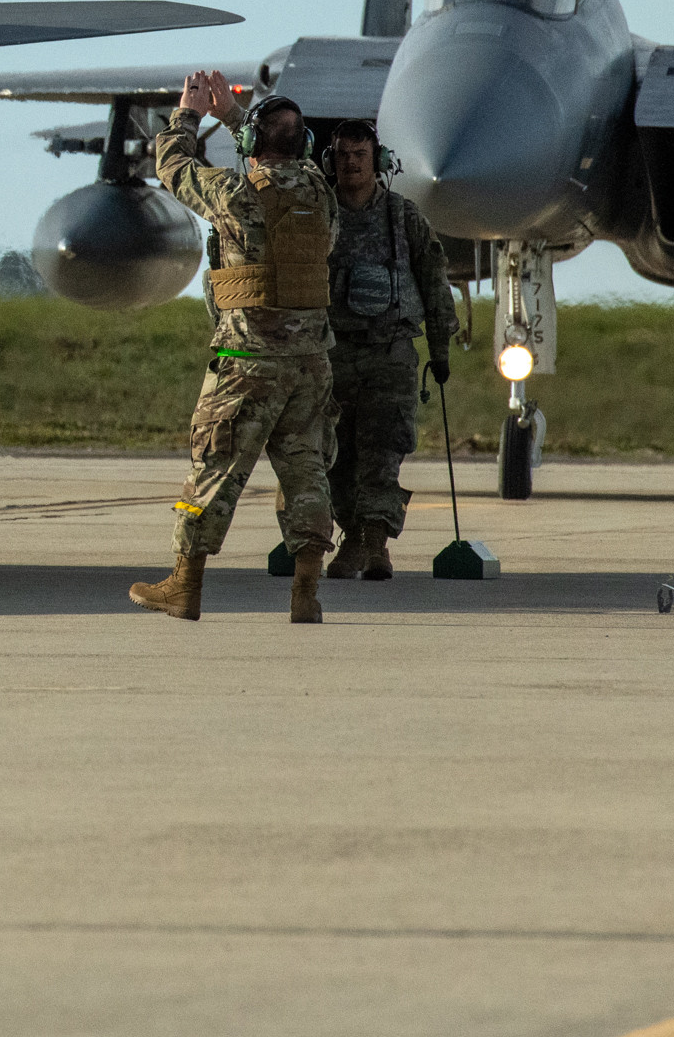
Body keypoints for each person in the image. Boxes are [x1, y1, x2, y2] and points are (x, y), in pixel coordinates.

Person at [129, 73, 339, 625]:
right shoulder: (321, 193)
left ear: (250, 146)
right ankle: (305, 593)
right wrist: (235, 117)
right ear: (305, 146)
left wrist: (188, 115)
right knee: (308, 471)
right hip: (311, 363)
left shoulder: (235, 193)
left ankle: (185, 584)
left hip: (248, 360)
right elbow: (282, 159)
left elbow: (173, 169)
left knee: (212, 468)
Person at [316, 117, 459, 580]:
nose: (350, 164)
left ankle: (375, 545)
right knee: (335, 456)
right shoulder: (318, 217)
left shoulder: (404, 217)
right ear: (330, 160)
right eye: (341, 155)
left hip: (390, 352)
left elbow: (435, 283)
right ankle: (351, 538)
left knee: (383, 453)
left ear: (376, 160)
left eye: (360, 155)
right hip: (333, 354)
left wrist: (440, 349)